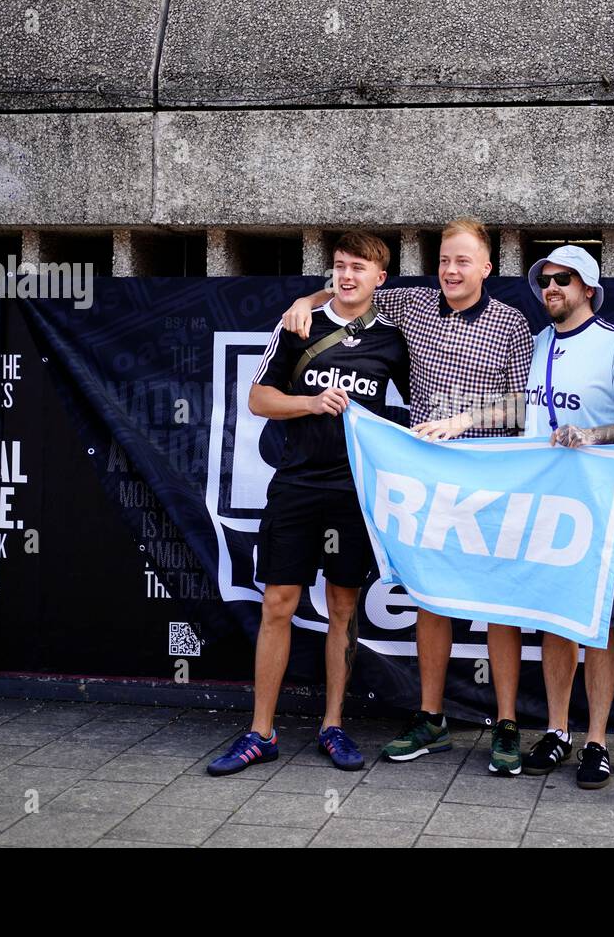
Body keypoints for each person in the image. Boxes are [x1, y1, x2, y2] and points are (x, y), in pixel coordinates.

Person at [279, 218, 535, 775]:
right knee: (429, 598)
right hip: (421, 477)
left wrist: (466, 419)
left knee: (495, 603)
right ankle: (431, 719)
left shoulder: (513, 322)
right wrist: (308, 296)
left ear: (487, 268)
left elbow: (521, 411)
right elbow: (353, 285)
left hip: (487, 476)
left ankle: (508, 723)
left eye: (463, 260)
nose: (451, 269)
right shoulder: (412, 306)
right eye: (444, 259)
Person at [207, 231, 409, 775]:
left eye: (359, 269)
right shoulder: (298, 325)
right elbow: (257, 398)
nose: (347, 276)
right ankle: (260, 732)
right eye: (340, 267)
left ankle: (333, 725)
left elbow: (413, 412)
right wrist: (311, 401)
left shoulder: (393, 340)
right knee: (278, 603)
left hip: (352, 492)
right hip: (295, 485)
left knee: (343, 607)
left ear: (379, 280)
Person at [510, 245, 614, 790]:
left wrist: (593, 435)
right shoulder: (540, 341)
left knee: (599, 627)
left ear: (588, 288)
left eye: (562, 280)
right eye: (544, 280)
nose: (550, 288)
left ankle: (596, 739)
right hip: (546, 509)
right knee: (552, 623)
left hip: (599, 509)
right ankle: (557, 730)